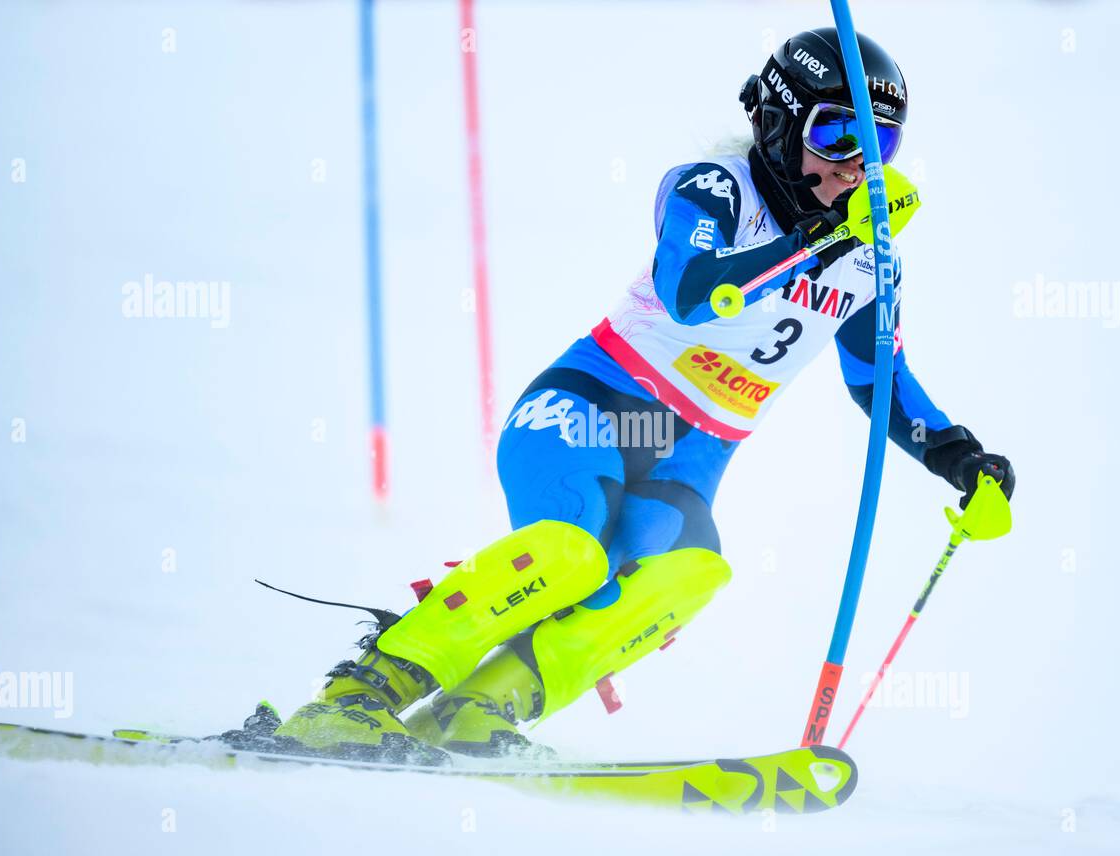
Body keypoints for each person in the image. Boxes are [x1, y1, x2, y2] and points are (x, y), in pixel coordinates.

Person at [248, 28, 1015, 761]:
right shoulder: (715, 189)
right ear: (780, 123)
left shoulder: (866, 262)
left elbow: (880, 382)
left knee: (688, 572)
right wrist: (819, 241)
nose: (859, 168)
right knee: (572, 550)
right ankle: (360, 692)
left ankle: (479, 710)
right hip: (595, 410)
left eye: (880, 146)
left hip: (694, 453)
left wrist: (960, 458)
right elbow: (691, 292)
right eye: (840, 135)